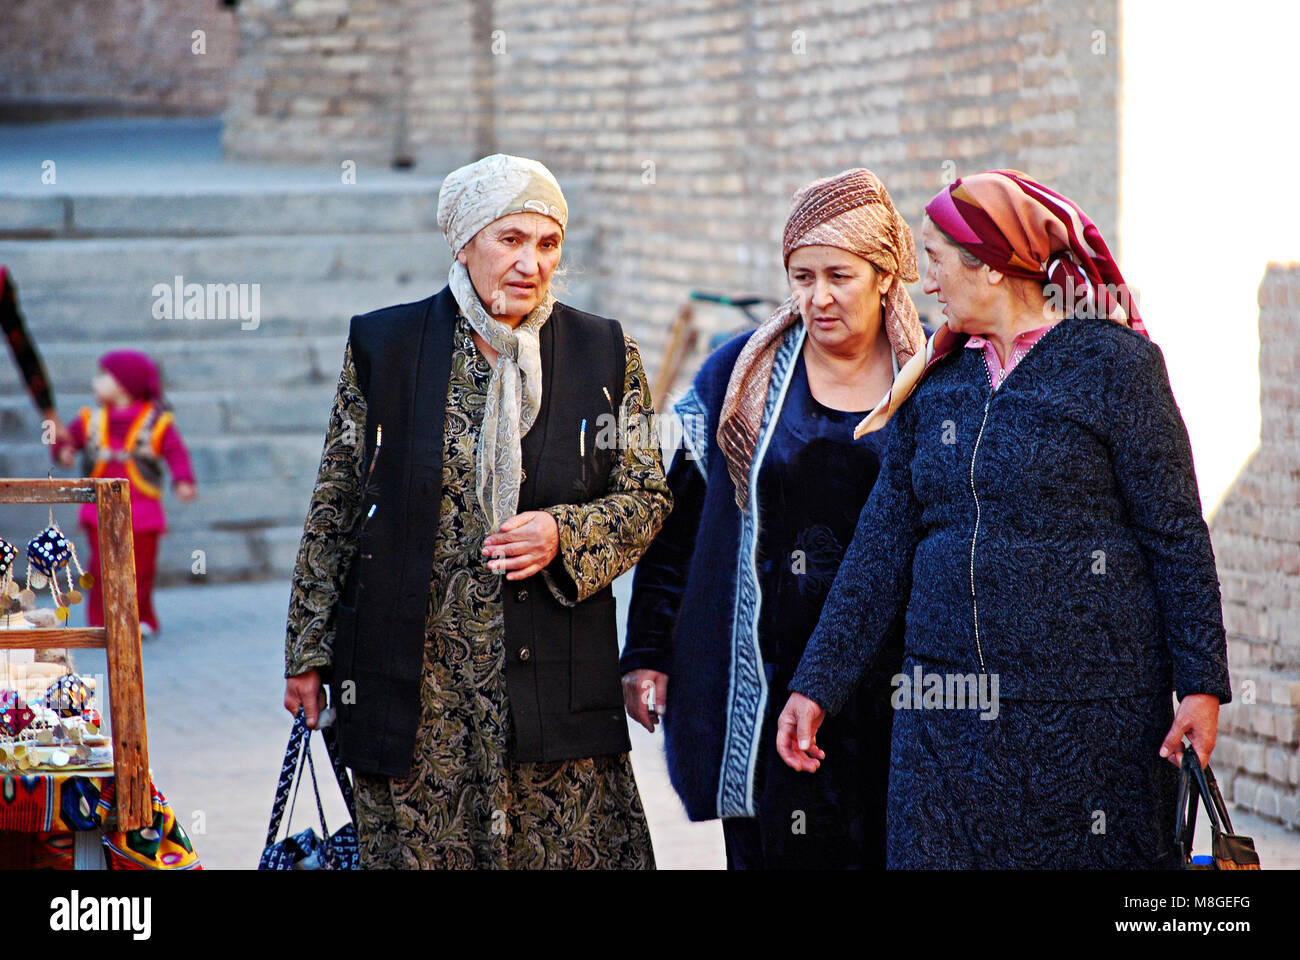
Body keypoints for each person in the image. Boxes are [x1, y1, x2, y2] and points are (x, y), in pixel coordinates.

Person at [777, 170, 1231, 869]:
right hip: (943, 721)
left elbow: (1174, 534)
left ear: (987, 267)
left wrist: (1201, 683)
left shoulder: (1112, 366)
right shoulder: (937, 380)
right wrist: (817, 683)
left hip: (1091, 722)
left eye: (934, 260)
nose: (926, 284)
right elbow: (882, 545)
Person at [283, 153, 672, 869]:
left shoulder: (604, 352)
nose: (531, 262)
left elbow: (648, 498)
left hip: (553, 683)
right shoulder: (386, 347)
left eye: (547, 243)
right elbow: (337, 500)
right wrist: (306, 653)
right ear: (464, 243)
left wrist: (565, 531)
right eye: (510, 239)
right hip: (416, 691)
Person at [622, 169, 925, 868]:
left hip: (896, 686)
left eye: (839, 276)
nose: (817, 297)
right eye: (801, 275)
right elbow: (678, 522)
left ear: (884, 276)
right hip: (763, 683)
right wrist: (647, 652)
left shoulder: (934, 373)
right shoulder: (744, 373)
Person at [51, 350, 197, 637]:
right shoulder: (89, 420)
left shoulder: (157, 422)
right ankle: (100, 619)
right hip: (98, 511)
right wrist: (63, 450)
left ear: (123, 384)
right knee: (101, 566)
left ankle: (141, 617)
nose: (96, 381)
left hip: (143, 512)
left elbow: (176, 453)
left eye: (103, 375)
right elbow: (68, 440)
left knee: (140, 569)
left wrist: (183, 479)